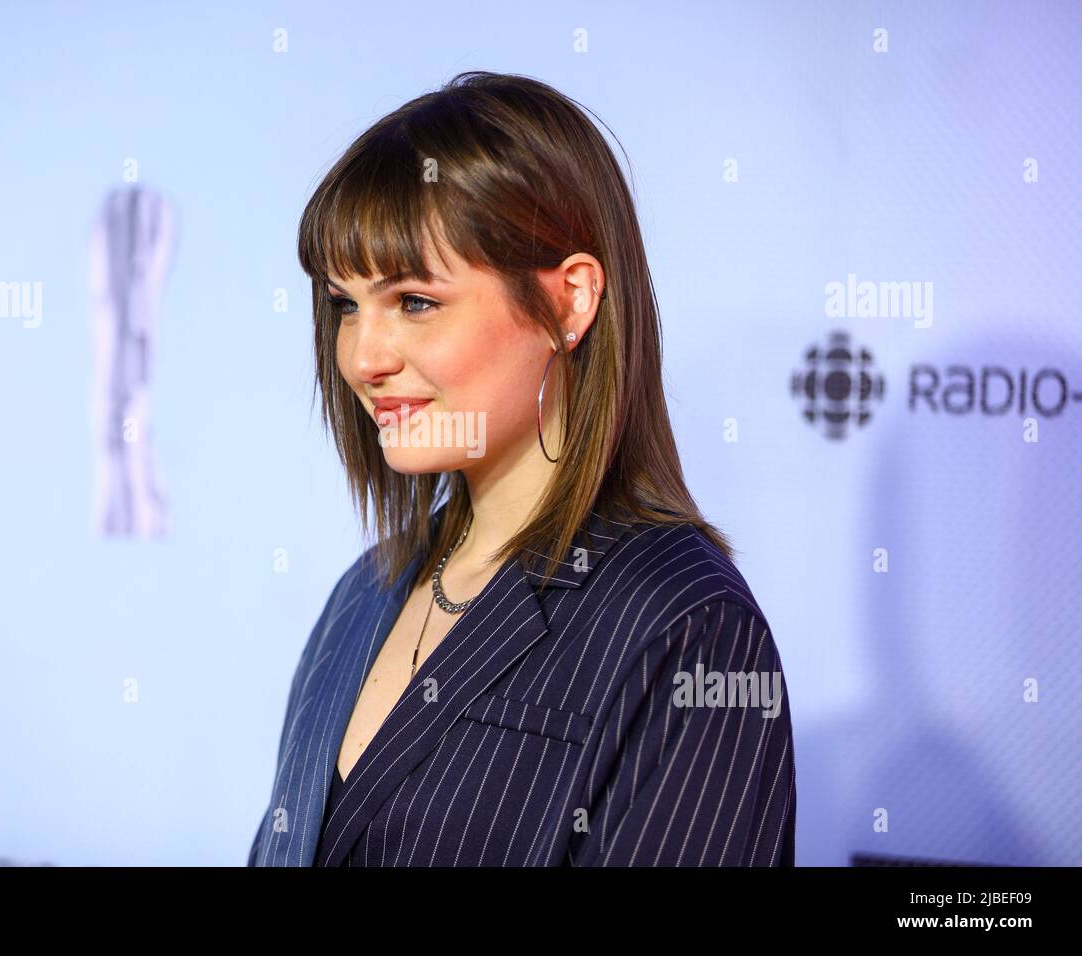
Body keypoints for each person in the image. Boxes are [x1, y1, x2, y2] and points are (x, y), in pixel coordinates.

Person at [247, 71, 795, 867]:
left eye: (415, 301)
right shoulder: (363, 592)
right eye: (345, 305)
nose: (363, 358)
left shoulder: (687, 631)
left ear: (571, 302)